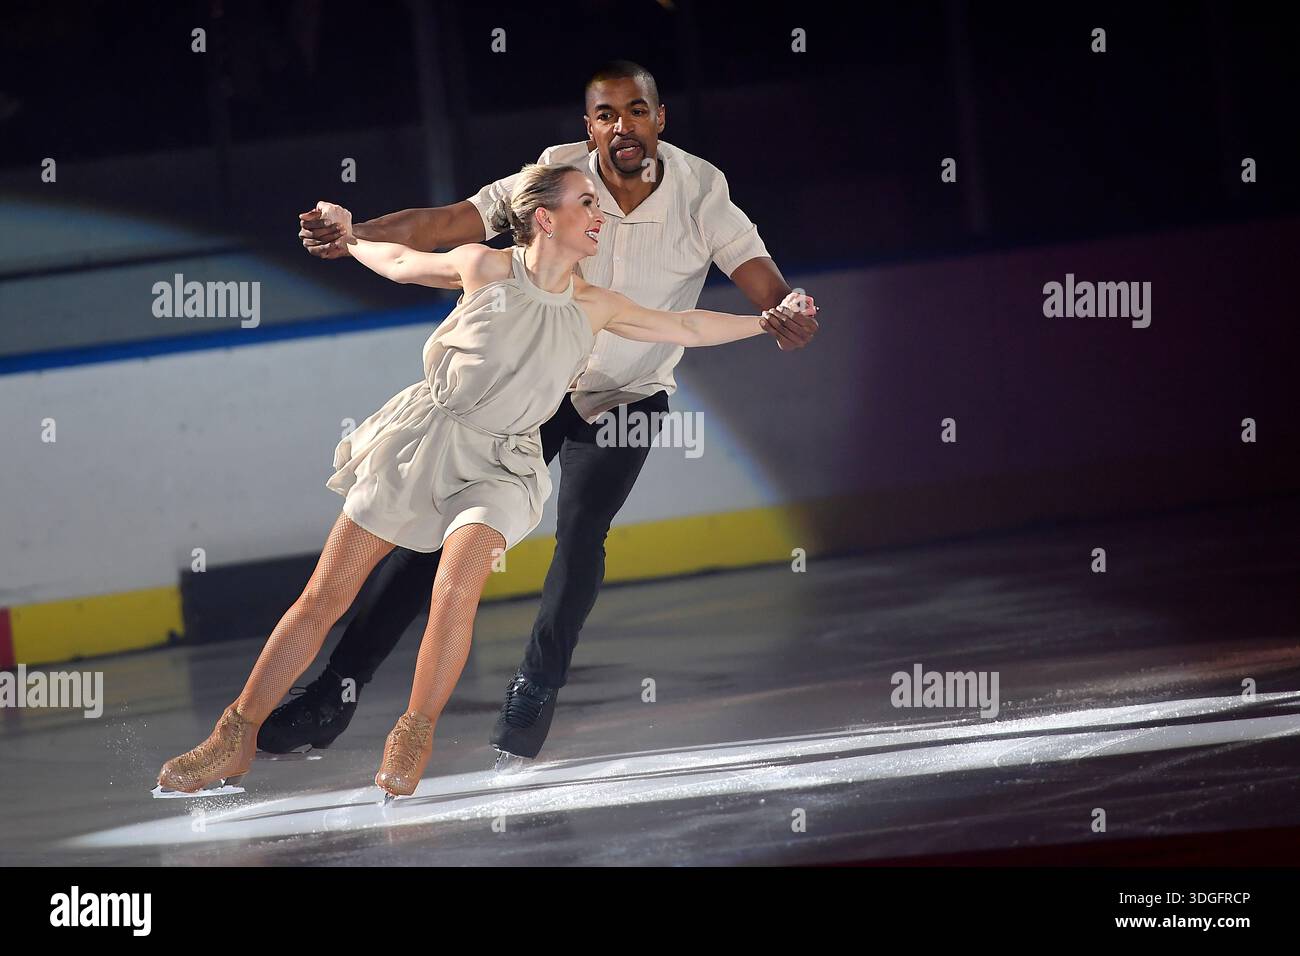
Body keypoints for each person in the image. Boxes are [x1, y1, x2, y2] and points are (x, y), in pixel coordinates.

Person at [156, 162, 816, 798]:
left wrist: (765, 320)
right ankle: (234, 735)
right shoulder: (483, 266)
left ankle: (412, 733)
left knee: (455, 586)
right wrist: (352, 232)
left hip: (503, 466)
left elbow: (684, 325)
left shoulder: (595, 304)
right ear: (542, 218)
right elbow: (401, 261)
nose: (599, 213)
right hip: (427, 443)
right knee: (323, 597)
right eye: (586, 202)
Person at [271, 59, 819, 764]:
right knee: (429, 534)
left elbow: (756, 274)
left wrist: (782, 312)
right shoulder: (557, 177)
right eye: (606, 115)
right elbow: (446, 223)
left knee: (582, 530)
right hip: (539, 386)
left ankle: (534, 690)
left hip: (627, 391)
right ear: (587, 126)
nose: (623, 126)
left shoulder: (700, 188)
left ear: (661, 117)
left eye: (638, 110)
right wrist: (352, 236)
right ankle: (331, 696)